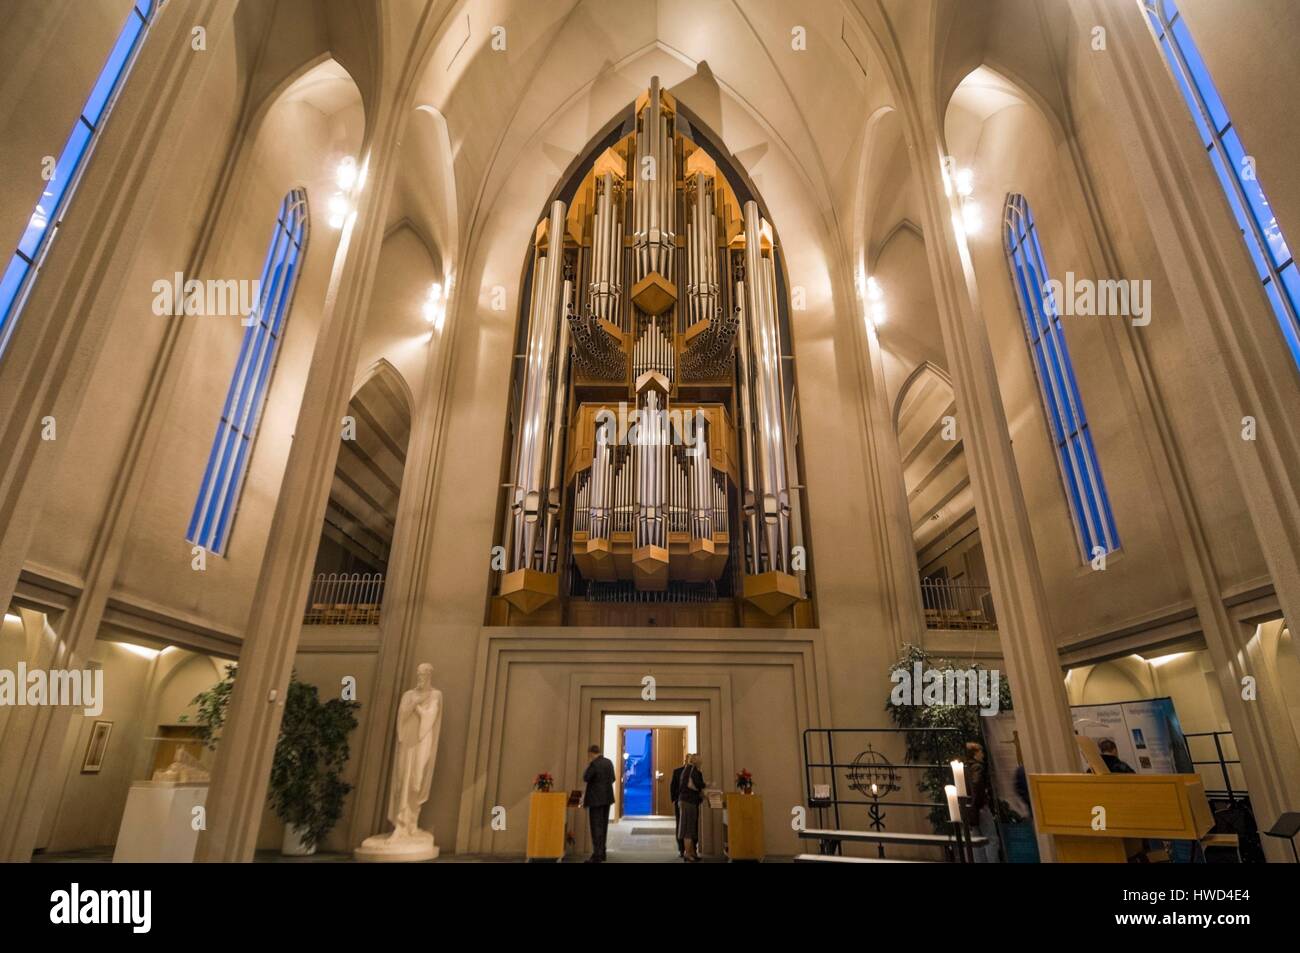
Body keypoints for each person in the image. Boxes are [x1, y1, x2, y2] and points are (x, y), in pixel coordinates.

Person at [581, 743, 616, 863]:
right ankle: (602, 853)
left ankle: (597, 856)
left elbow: (586, 777)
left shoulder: (594, 764)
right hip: (607, 799)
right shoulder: (609, 762)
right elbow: (613, 778)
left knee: (596, 827)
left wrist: (589, 765)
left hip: (595, 800)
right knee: (604, 826)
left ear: (591, 753)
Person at [675, 753, 706, 862]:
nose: (702, 762)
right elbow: (697, 784)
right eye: (700, 760)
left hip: (688, 801)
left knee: (691, 827)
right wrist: (706, 786)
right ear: (696, 761)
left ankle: (692, 852)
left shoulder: (688, 769)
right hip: (688, 801)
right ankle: (688, 854)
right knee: (688, 828)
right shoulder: (692, 770)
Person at [669, 756, 688, 857]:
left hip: (691, 803)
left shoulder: (696, 772)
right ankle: (681, 848)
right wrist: (675, 799)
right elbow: (673, 786)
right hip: (679, 802)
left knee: (689, 826)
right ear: (685, 760)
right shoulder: (677, 771)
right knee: (680, 824)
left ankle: (690, 848)